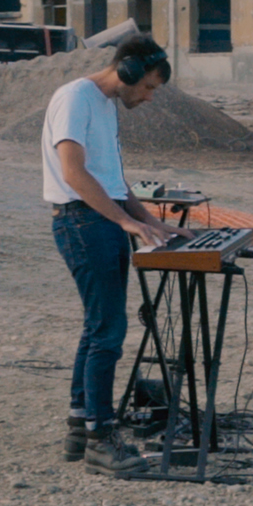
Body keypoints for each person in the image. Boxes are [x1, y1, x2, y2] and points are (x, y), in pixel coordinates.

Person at [43, 34, 193, 475]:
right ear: (126, 71)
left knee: (98, 326)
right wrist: (125, 222)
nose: (148, 97)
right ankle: (100, 439)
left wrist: (152, 220)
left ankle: (79, 425)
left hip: (98, 219)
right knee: (108, 330)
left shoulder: (104, 106)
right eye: (147, 87)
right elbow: (74, 171)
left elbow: (113, 180)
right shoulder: (76, 98)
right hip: (82, 221)